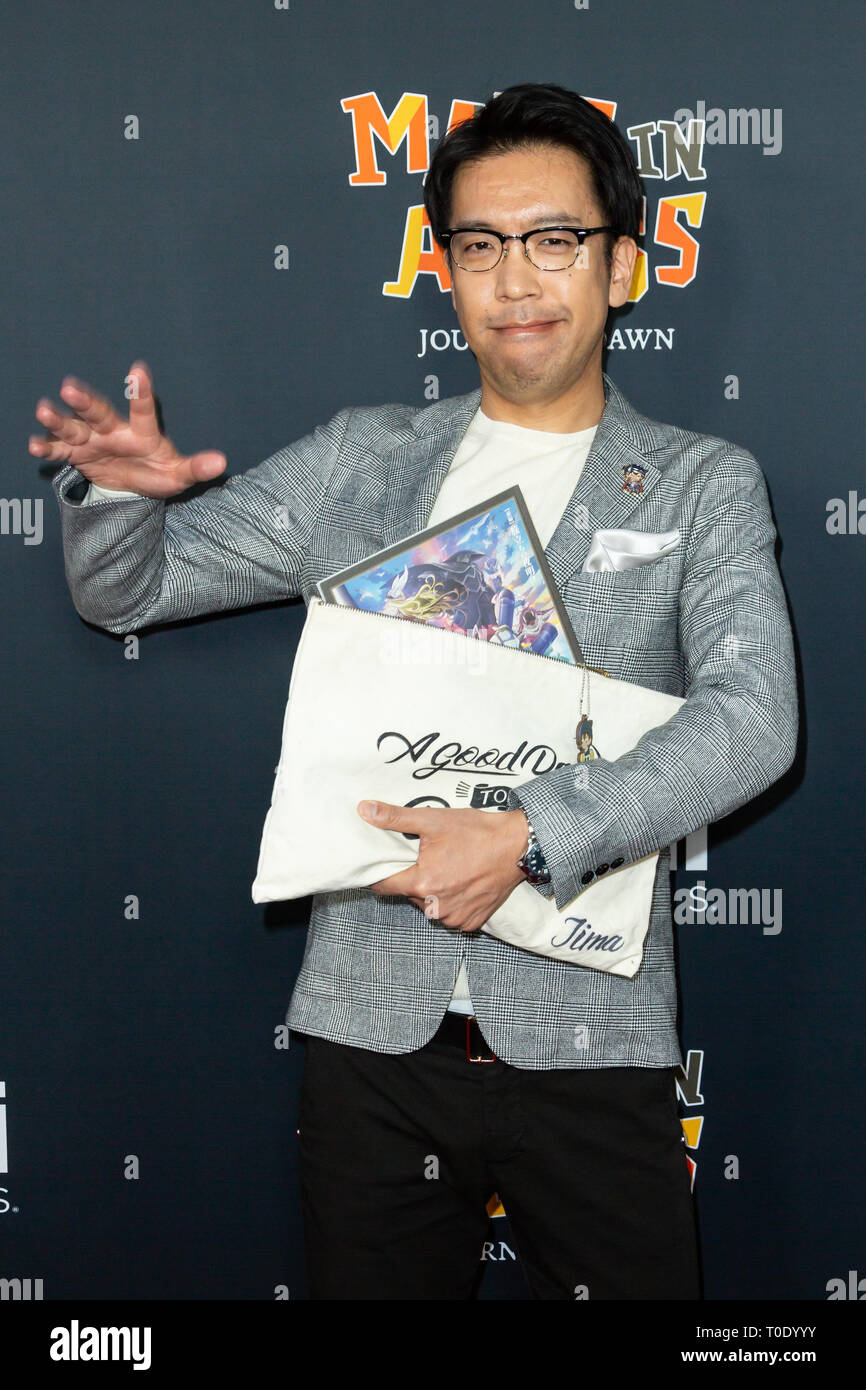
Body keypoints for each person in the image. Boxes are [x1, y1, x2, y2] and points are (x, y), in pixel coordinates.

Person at [32, 83, 797, 1300]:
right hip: (370, 1042)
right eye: (480, 246)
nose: (516, 279)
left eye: (555, 241)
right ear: (444, 273)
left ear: (624, 268)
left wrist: (530, 836)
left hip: (591, 1033)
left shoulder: (705, 484)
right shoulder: (362, 462)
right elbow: (135, 591)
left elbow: (752, 720)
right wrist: (124, 499)